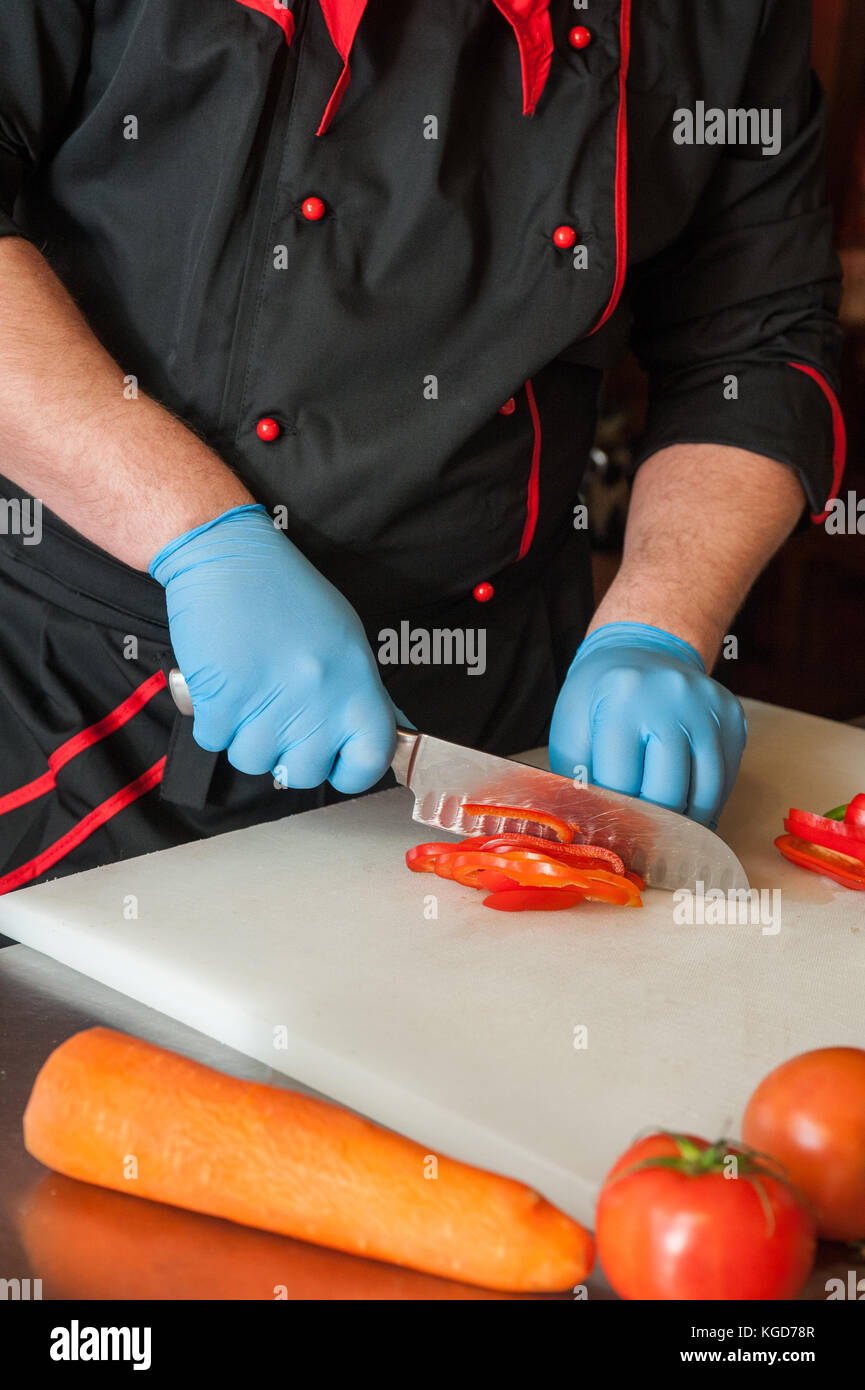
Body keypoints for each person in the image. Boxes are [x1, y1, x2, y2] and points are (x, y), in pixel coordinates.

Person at [0, 0, 844, 893]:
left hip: (495, 731)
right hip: (88, 700)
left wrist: (660, 627)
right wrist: (202, 543)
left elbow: (754, 348)